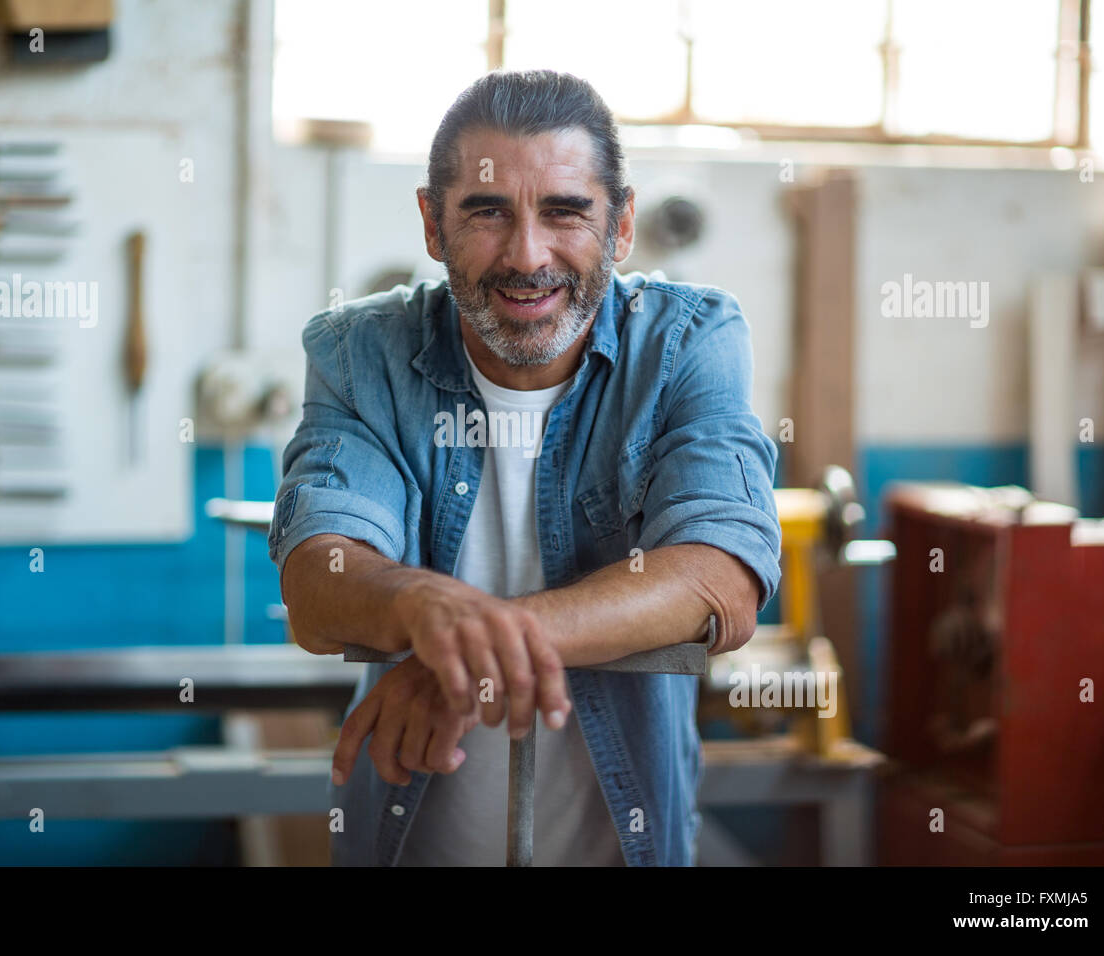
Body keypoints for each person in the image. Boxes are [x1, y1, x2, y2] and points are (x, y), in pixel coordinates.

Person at [270, 69, 781, 866]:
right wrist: (431, 613)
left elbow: (721, 577)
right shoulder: (362, 350)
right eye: (487, 213)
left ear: (621, 226)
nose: (527, 255)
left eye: (565, 212)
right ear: (433, 225)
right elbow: (317, 584)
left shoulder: (688, 341)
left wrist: (463, 651)